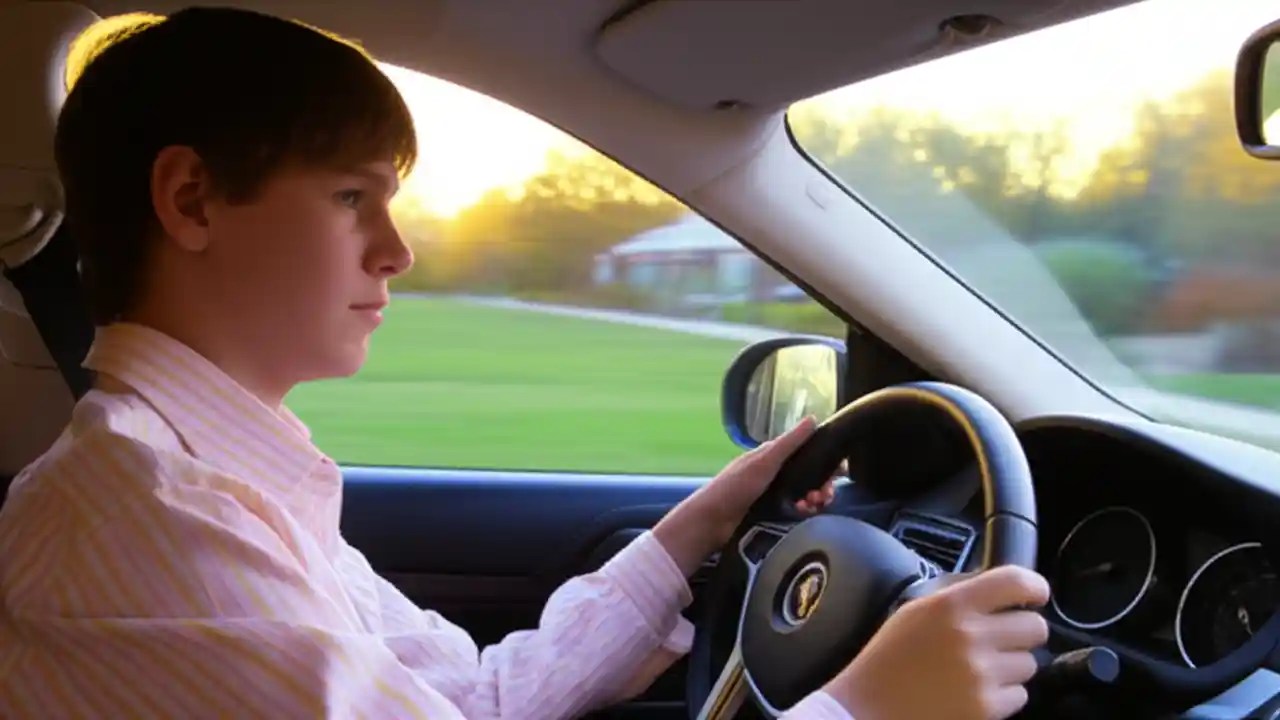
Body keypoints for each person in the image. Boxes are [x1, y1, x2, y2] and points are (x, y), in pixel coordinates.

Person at [0, 7, 1050, 719]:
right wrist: (867, 705)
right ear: (191, 202)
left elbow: (478, 698)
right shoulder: (149, 527)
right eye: (350, 197)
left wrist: (698, 525)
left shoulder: (219, 489)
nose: (395, 251)